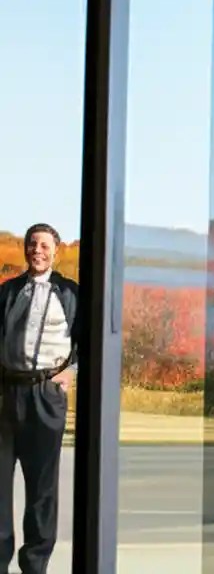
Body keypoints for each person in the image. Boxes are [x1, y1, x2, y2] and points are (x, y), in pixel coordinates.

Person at [0, 224, 80, 574]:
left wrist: (72, 371)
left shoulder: (71, 293)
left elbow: (91, 340)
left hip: (46, 397)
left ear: (56, 251)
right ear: (25, 249)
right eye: (32, 244)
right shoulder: (8, 291)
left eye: (45, 245)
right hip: (6, 394)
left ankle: (35, 565)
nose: (37, 250)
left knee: (42, 488)